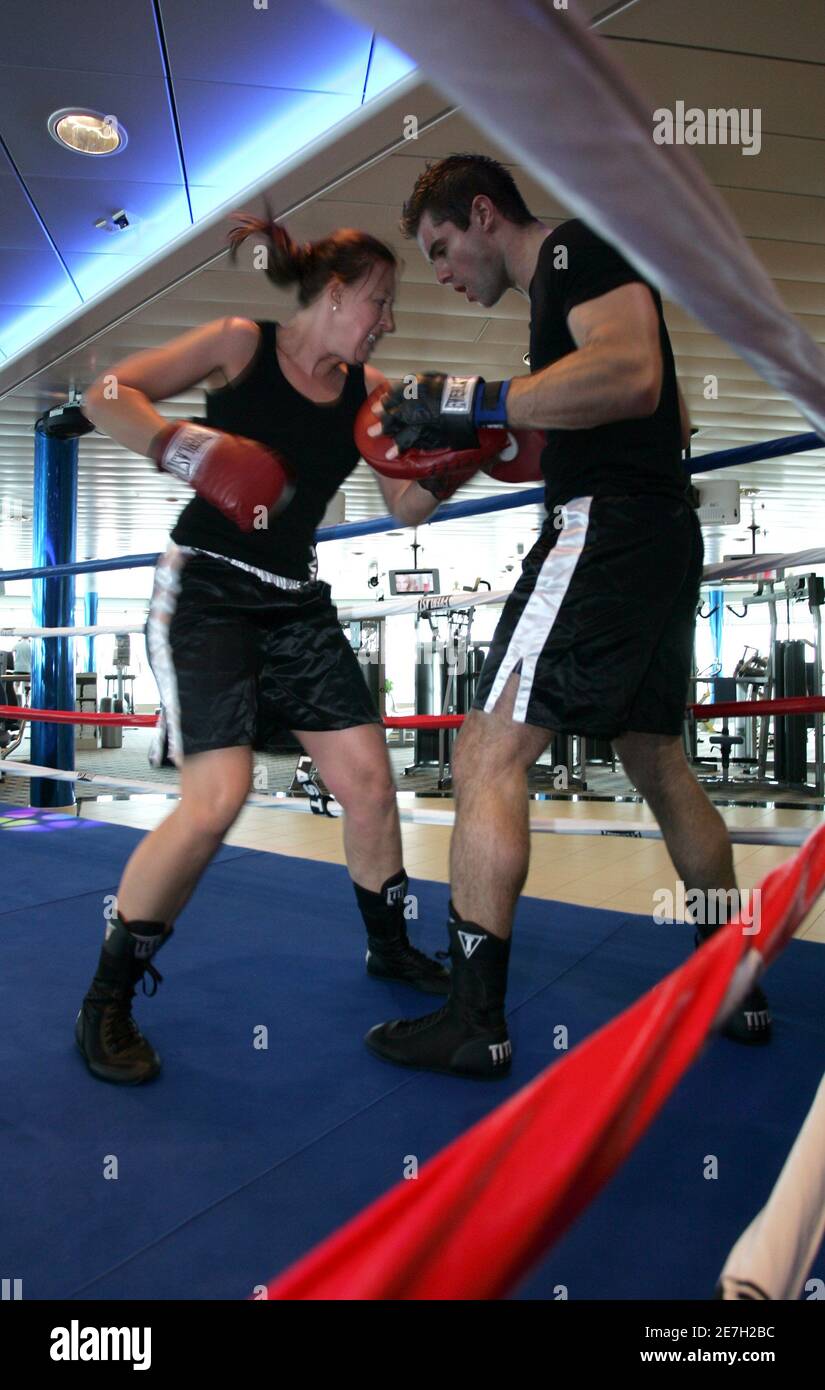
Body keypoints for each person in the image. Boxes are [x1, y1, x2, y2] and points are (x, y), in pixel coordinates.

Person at [363, 153, 770, 1080]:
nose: (441, 274)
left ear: (480, 213)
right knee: (657, 761)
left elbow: (629, 374)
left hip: (606, 533)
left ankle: (473, 1018)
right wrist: (433, 432)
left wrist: (474, 400)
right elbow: (416, 508)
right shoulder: (551, 327)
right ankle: (732, 982)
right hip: (659, 536)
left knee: (485, 752)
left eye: (440, 249)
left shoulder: (569, 253)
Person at [76, 217, 448, 1085]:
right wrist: (191, 449)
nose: (385, 321)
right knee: (217, 799)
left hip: (295, 602)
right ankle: (106, 1002)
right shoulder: (240, 344)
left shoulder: (371, 393)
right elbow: (106, 395)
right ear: (333, 294)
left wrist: (459, 460)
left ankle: (388, 949)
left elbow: (406, 508)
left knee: (367, 780)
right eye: (379, 302)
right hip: (206, 590)